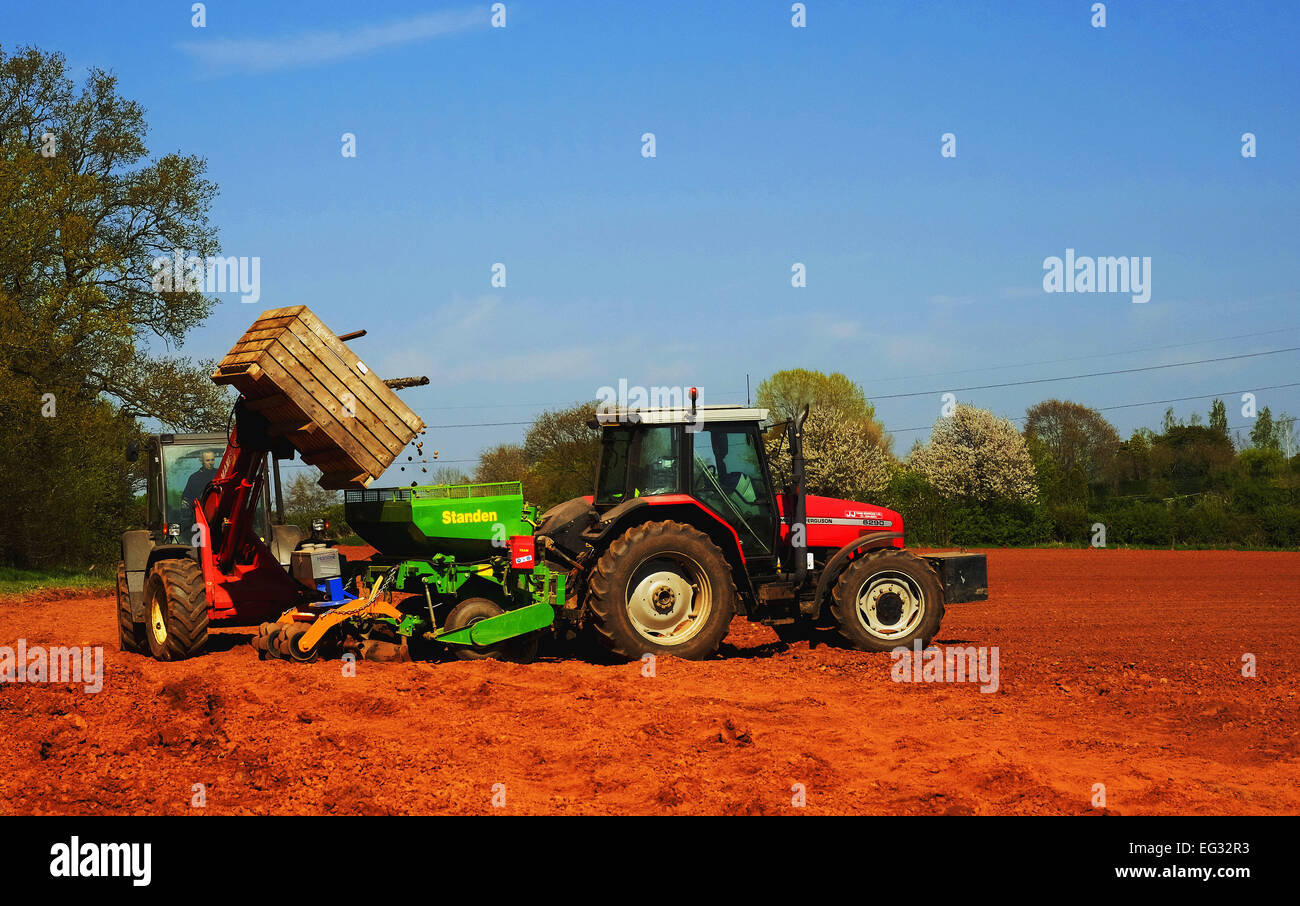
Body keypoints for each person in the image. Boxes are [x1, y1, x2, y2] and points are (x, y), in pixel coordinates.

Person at [179, 450, 218, 532]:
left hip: (218, 515)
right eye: (207, 460)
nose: (211, 462)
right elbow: (186, 499)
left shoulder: (219, 474)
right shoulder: (194, 478)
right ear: (201, 461)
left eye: (212, 459)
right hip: (200, 518)